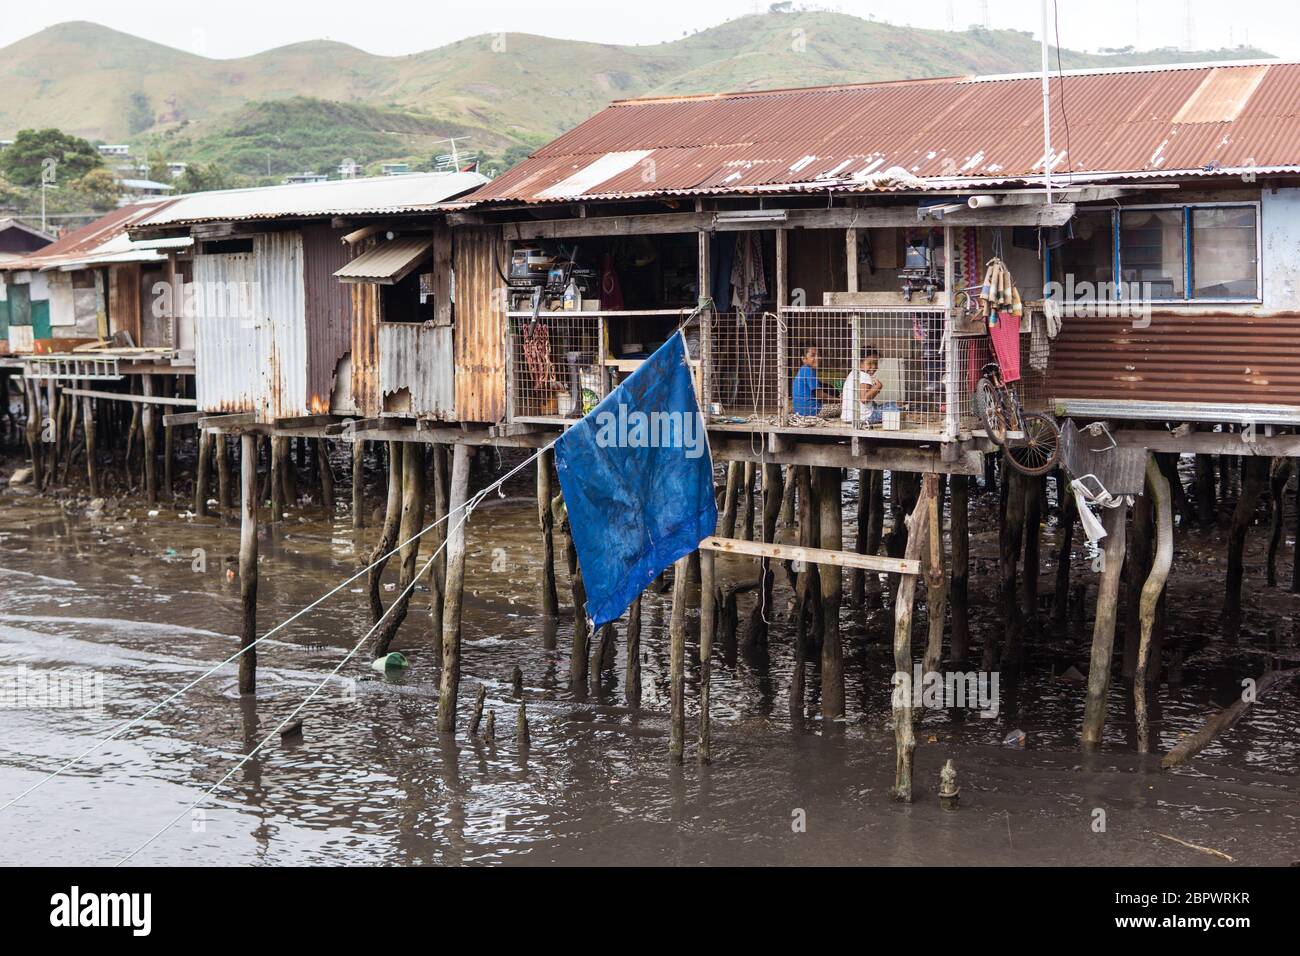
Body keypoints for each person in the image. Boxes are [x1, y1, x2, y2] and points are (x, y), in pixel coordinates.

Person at [840, 348, 883, 425]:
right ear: (859, 363)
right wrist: (878, 387)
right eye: (869, 363)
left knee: (874, 404)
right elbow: (864, 399)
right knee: (894, 407)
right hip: (864, 418)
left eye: (875, 363)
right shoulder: (865, 376)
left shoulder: (852, 374)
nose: (873, 366)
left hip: (848, 418)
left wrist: (873, 390)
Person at [792, 343, 836, 416]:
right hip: (812, 411)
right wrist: (841, 400)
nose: (817, 358)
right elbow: (819, 395)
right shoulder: (809, 370)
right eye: (813, 355)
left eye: (818, 355)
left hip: (799, 411)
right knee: (844, 407)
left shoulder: (803, 370)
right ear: (804, 359)